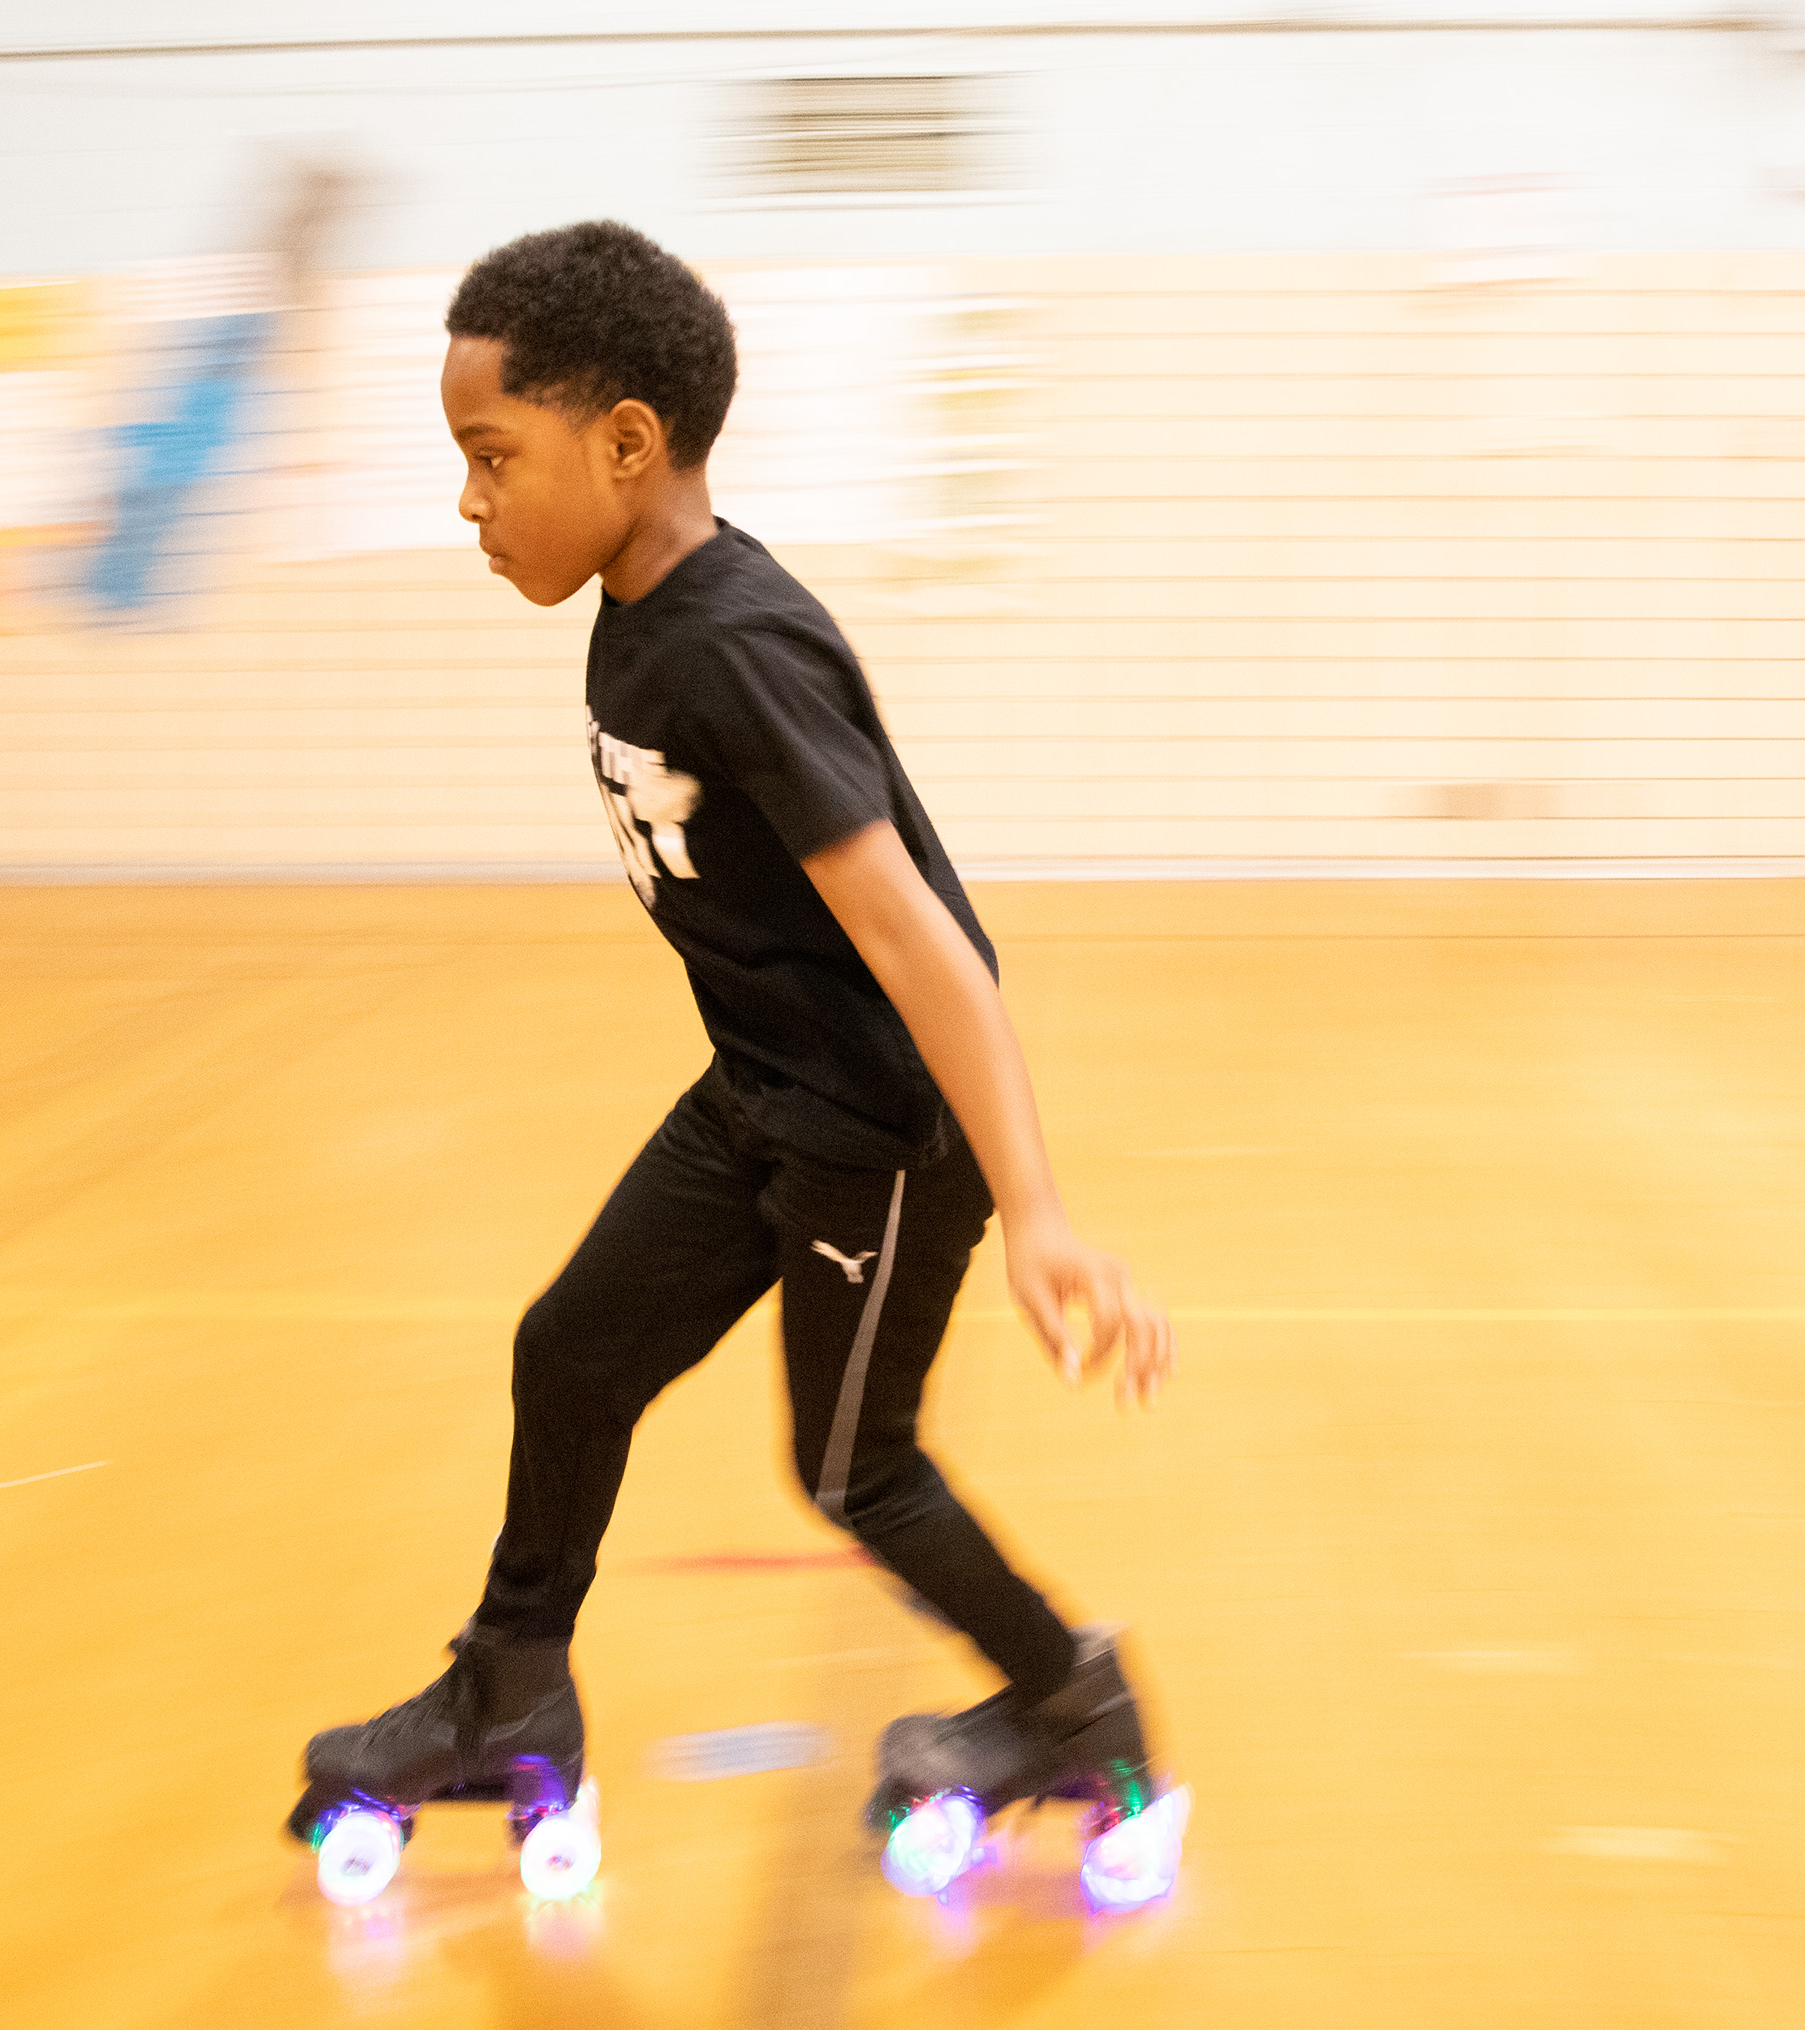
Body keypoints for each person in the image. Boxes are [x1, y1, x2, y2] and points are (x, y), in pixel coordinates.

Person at [289, 220, 1178, 1878]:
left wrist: (1037, 1209)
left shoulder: (734, 644)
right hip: (764, 1090)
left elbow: (920, 938)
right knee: (572, 1351)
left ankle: (1076, 1702)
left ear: (627, 442)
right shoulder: (636, 605)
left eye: (493, 455)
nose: (470, 501)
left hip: (880, 1130)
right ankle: (508, 1690)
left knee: (856, 1467)